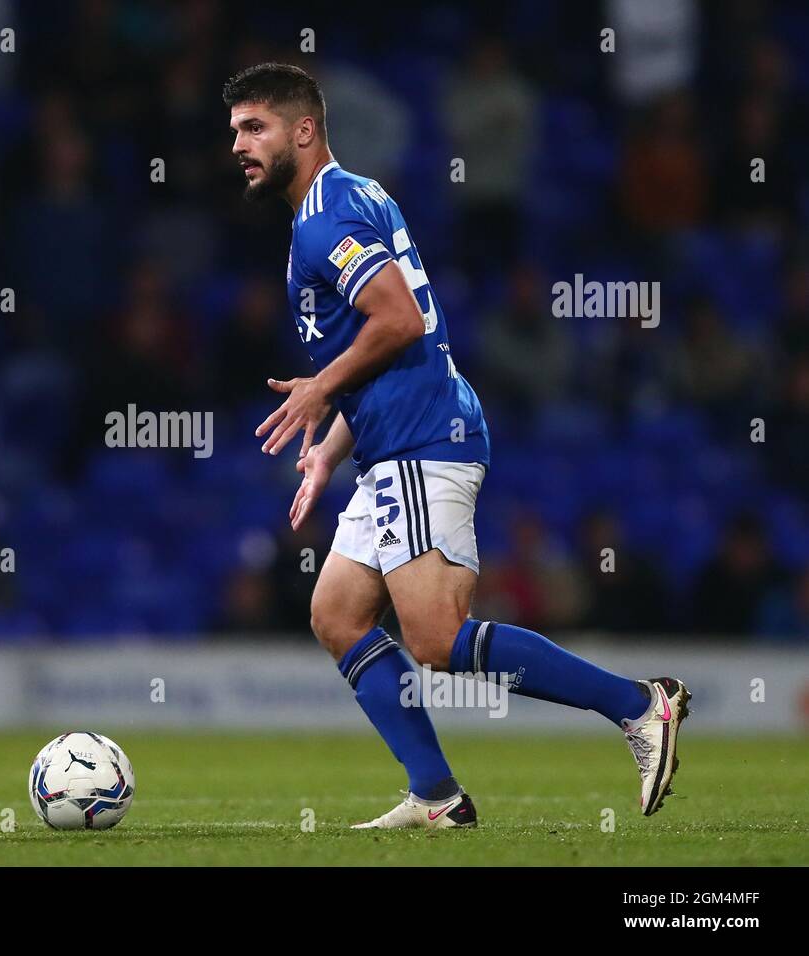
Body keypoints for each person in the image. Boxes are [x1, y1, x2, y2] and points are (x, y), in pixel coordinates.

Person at [223, 63, 689, 829]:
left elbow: (400, 321)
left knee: (436, 638)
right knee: (338, 614)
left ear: (302, 131)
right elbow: (388, 344)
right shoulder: (355, 195)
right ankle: (436, 796)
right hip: (395, 436)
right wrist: (331, 445)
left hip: (420, 438)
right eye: (236, 130)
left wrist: (317, 389)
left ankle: (638, 706)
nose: (239, 145)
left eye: (254, 128)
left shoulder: (325, 220)